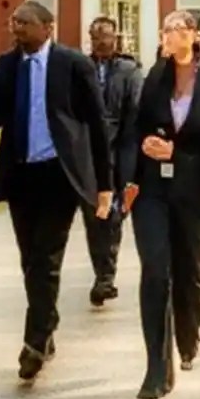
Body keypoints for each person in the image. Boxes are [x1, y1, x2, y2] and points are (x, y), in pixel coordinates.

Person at [0, 0, 113, 383]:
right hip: (21, 176)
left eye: (24, 23)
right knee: (29, 259)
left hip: (60, 176)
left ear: (48, 27)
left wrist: (104, 186)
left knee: (46, 258)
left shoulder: (73, 65)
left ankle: (34, 343)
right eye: (13, 22)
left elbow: (97, 127)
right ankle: (47, 323)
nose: (16, 28)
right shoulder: (7, 66)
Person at [123, 10, 200, 399]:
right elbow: (137, 126)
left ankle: (188, 335)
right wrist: (138, 160)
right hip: (152, 189)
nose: (166, 36)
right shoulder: (154, 75)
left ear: (191, 35)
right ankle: (156, 366)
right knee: (155, 270)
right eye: (164, 30)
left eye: (173, 30)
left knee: (189, 272)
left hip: (192, 191)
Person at [84, 17, 143, 308]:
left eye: (105, 37)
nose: (100, 43)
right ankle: (102, 275)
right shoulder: (81, 69)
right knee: (95, 218)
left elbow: (135, 122)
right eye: (95, 38)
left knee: (115, 217)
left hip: (120, 153)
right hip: (90, 157)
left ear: (115, 38)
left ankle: (106, 276)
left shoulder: (130, 71)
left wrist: (131, 169)